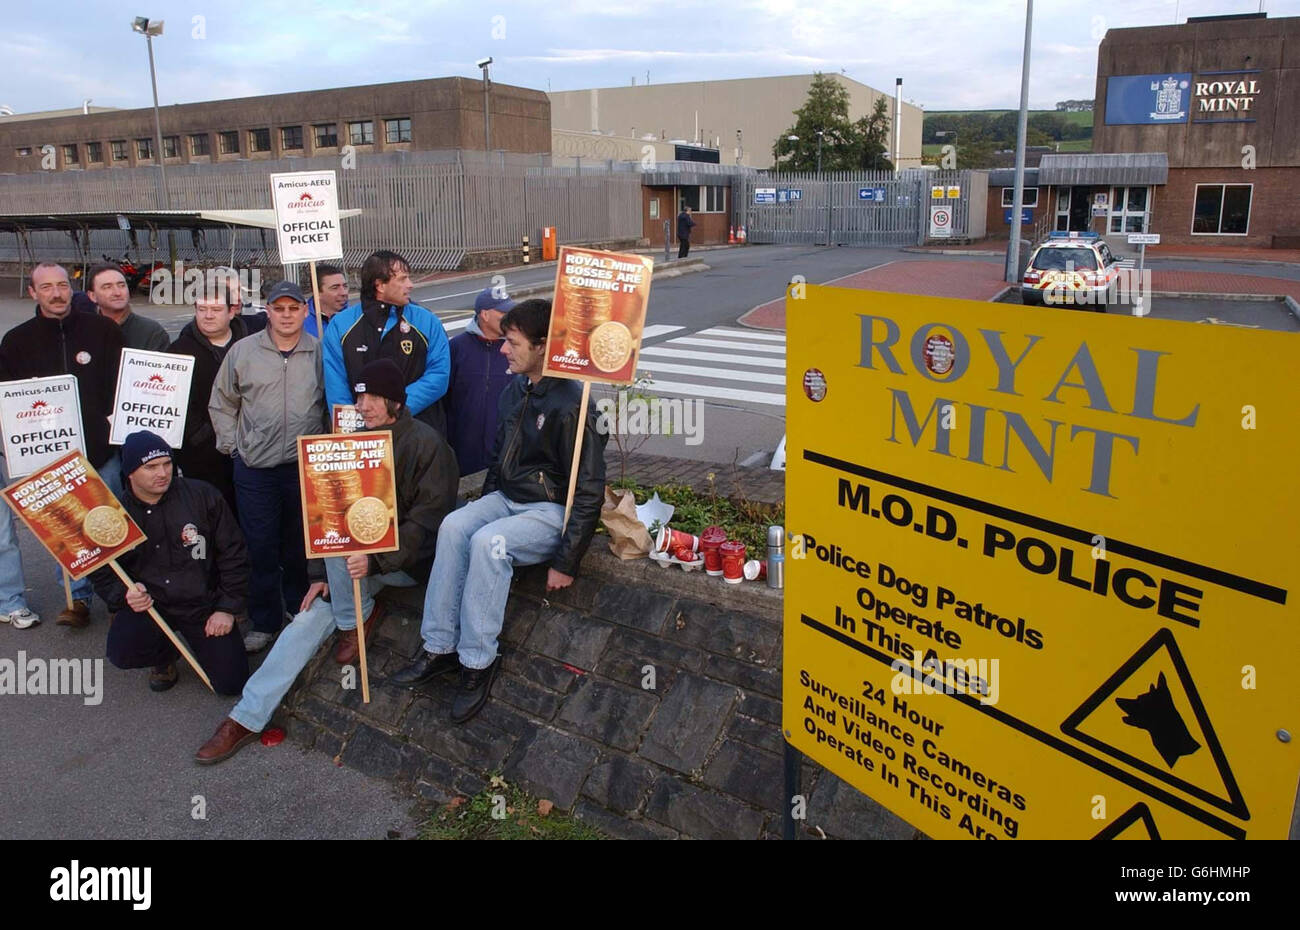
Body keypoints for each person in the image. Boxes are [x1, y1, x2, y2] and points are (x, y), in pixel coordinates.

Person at [194, 359, 460, 764]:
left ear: (396, 403)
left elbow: (428, 524)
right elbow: (329, 517)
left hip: (409, 567)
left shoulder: (427, 445)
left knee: (342, 558)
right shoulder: (351, 443)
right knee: (305, 619)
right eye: (359, 395)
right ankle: (246, 717)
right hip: (353, 568)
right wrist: (321, 574)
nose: (363, 405)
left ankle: (353, 616)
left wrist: (375, 562)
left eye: (373, 397)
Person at [390, 299, 607, 723]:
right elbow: (499, 458)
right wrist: (485, 503)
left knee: (491, 543)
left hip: (548, 510)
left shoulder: (574, 404)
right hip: (507, 498)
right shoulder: (515, 390)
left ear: (542, 346)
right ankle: (438, 647)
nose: (503, 350)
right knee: (454, 526)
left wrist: (568, 560)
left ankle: (477, 662)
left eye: (511, 342)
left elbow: (588, 488)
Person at [0, 262, 124, 627]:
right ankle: (78, 598)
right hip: (51, 455)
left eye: (62, 286)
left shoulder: (102, 330)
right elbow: (9, 401)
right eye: (47, 287)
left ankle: (121, 597)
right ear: (33, 293)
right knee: (67, 529)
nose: (56, 293)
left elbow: (123, 384)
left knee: (111, 525)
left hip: (100, 451)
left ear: (72, 290)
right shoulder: (16, 341)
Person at [209, 281, 326, 655]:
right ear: (269, 312)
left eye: (294, 309)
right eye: (280, 309)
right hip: (255, 468)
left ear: (305, 312)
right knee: (260, 546)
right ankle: (263, 620)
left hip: (301, 467)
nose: (287, 315)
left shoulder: (320, 353)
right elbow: (222, 402)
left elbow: (330, 403)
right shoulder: (243, 352)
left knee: (298, 545)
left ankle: (296, 608)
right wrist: (233, 446)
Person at [89, 430, 250, 695]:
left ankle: (204, 644)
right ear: (130, 472)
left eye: (166, 463)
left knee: (231, 683)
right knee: (123, 651)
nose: (162, 473)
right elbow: (101, 570)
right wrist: (124, 595)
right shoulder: (114, 515)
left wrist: (227, 608)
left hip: (203, 604)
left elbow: (234, 553)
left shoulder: (203, 496)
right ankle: (163, 656)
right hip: (152, 606)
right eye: (150, 467)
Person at [322, 250, 451, 437]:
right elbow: (336, 386)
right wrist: (353, 430)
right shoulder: (341, 325)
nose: (410, 285)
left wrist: (393, 411)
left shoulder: (427, 321)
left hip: (417, 434)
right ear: (380, 285)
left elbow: (439, 376)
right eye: (402, 279)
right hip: (365, 440)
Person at [169, 270, 251, 515]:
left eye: (215, 310)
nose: (207, 316)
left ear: (232, 311)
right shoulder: (178, 351)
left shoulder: (252, 345)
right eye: (201, 309)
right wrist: (202, 436)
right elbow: (175, 404)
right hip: (203, 456)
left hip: (252, 450)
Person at [442, 287, 515, 476]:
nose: (509, 318)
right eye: (503, 312)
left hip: (504, 451)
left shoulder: (514, 348)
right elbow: (443, 396)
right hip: (463, 451)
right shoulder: (457, 347)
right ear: (484, 314)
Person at [85, 262, 171, 352]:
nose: (117, 293)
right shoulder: (83, 332)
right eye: (107, 287)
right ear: (92, 296)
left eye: (121, 285)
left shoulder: (152, 332)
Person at [302, 263, 350, 339]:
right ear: (317, 292)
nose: (343, 292)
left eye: (345, 286)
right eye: (335, 288)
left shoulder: (356, 317)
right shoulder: (301, 320)